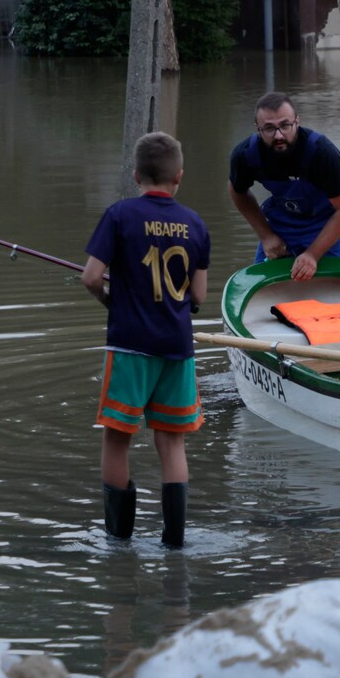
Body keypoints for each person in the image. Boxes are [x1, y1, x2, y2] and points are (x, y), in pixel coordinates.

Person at [82, 131, 211, 548]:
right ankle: (174, 542)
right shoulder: (196, 224)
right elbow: (198, 296)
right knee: (171, 441)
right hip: (177, 348)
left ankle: (119, 542)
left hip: (130, 346)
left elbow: (89, 277)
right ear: (179, 176)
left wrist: (111, 300)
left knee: (117, 438)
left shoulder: (119, 216)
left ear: (136, 174)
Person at [227, 92, 340, 282]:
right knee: (261, 281)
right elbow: (236, 191)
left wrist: (312, 255)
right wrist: (266, 235)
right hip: (285, 220)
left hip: (330, 218)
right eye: (269, 128)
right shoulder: (245, 155)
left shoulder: (321, 152)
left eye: (285, 126)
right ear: (258, 129)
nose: (279, 135)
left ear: (297, 122)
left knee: (334, 283)